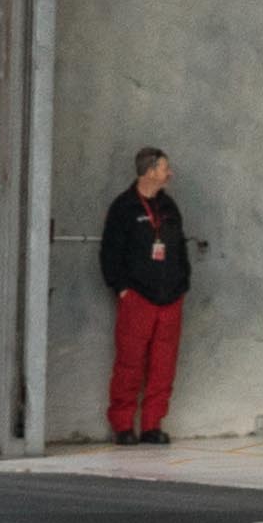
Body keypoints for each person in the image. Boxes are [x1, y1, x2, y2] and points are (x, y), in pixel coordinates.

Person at [96, 146, 191, 445]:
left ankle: (152, 424)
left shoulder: (169, 207)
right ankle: (123, 425)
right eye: (165, 168)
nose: (170, 173)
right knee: (129, 363)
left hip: (171, 297)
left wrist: (183, 282)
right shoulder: (124, 207)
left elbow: (180, 247)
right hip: (138, 297)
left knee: (164, 364)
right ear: (149, 171)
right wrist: (121, 288)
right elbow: (109, 252)